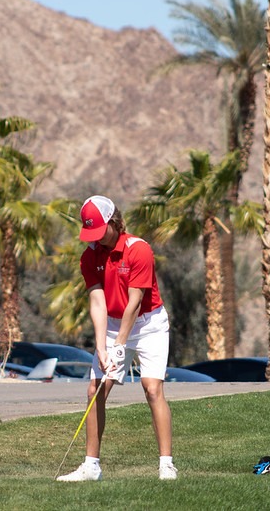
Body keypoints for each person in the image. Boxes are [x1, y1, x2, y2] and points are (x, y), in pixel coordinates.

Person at [56, 195, 177, 482]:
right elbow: (97, 302)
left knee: (152, 388)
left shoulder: (139, 250)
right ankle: (91, 467)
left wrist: (121, 343)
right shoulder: (89, 257)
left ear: (114, 222)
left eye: (100, 230)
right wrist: (102, 346)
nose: (96, 238)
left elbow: (135, 302)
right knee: (95, 389)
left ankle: (166, 465)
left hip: (148, 324)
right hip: (112, 324)